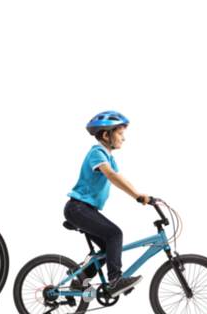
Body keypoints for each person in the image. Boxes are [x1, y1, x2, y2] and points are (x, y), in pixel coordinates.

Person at [64, 111, 152, 297]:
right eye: (120, 133)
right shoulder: (97, 153)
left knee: (107, 248)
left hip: (83, 209)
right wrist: (137, 196)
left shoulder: (109, 158)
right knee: (115, 234)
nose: (124, 138)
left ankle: (79, 280)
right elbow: (111, 176)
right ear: (106, 135)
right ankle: (115, 281)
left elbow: (119, 178)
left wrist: (144, 196)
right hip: (78, 208)